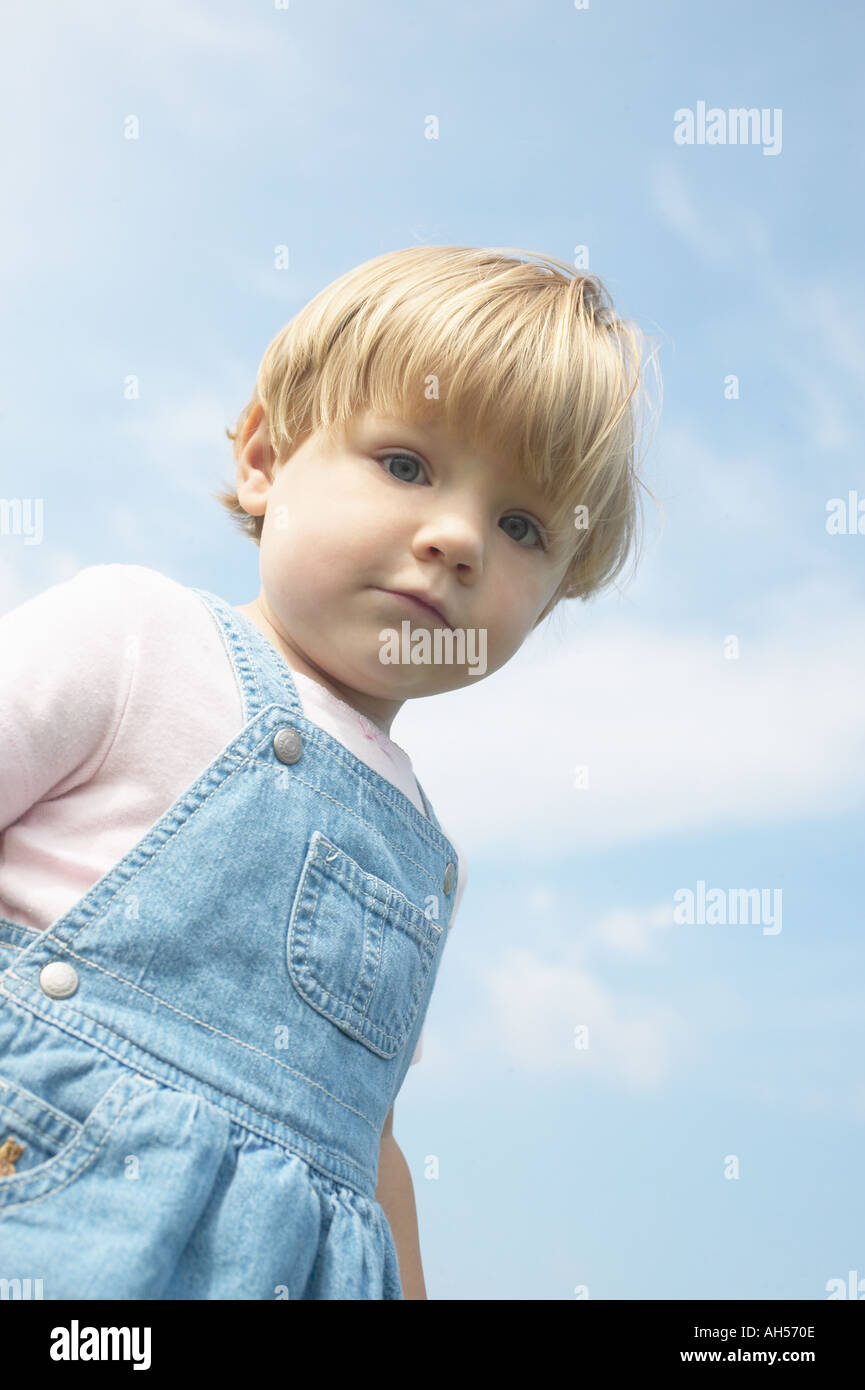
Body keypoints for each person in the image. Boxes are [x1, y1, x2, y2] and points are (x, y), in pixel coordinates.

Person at [0, 245, 659, 1299]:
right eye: (406, 464)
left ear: (553, 597)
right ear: (266, 456)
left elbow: (368, 1134)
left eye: (522, 525)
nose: (456, 539)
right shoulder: (134, 642)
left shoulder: (430, 859)